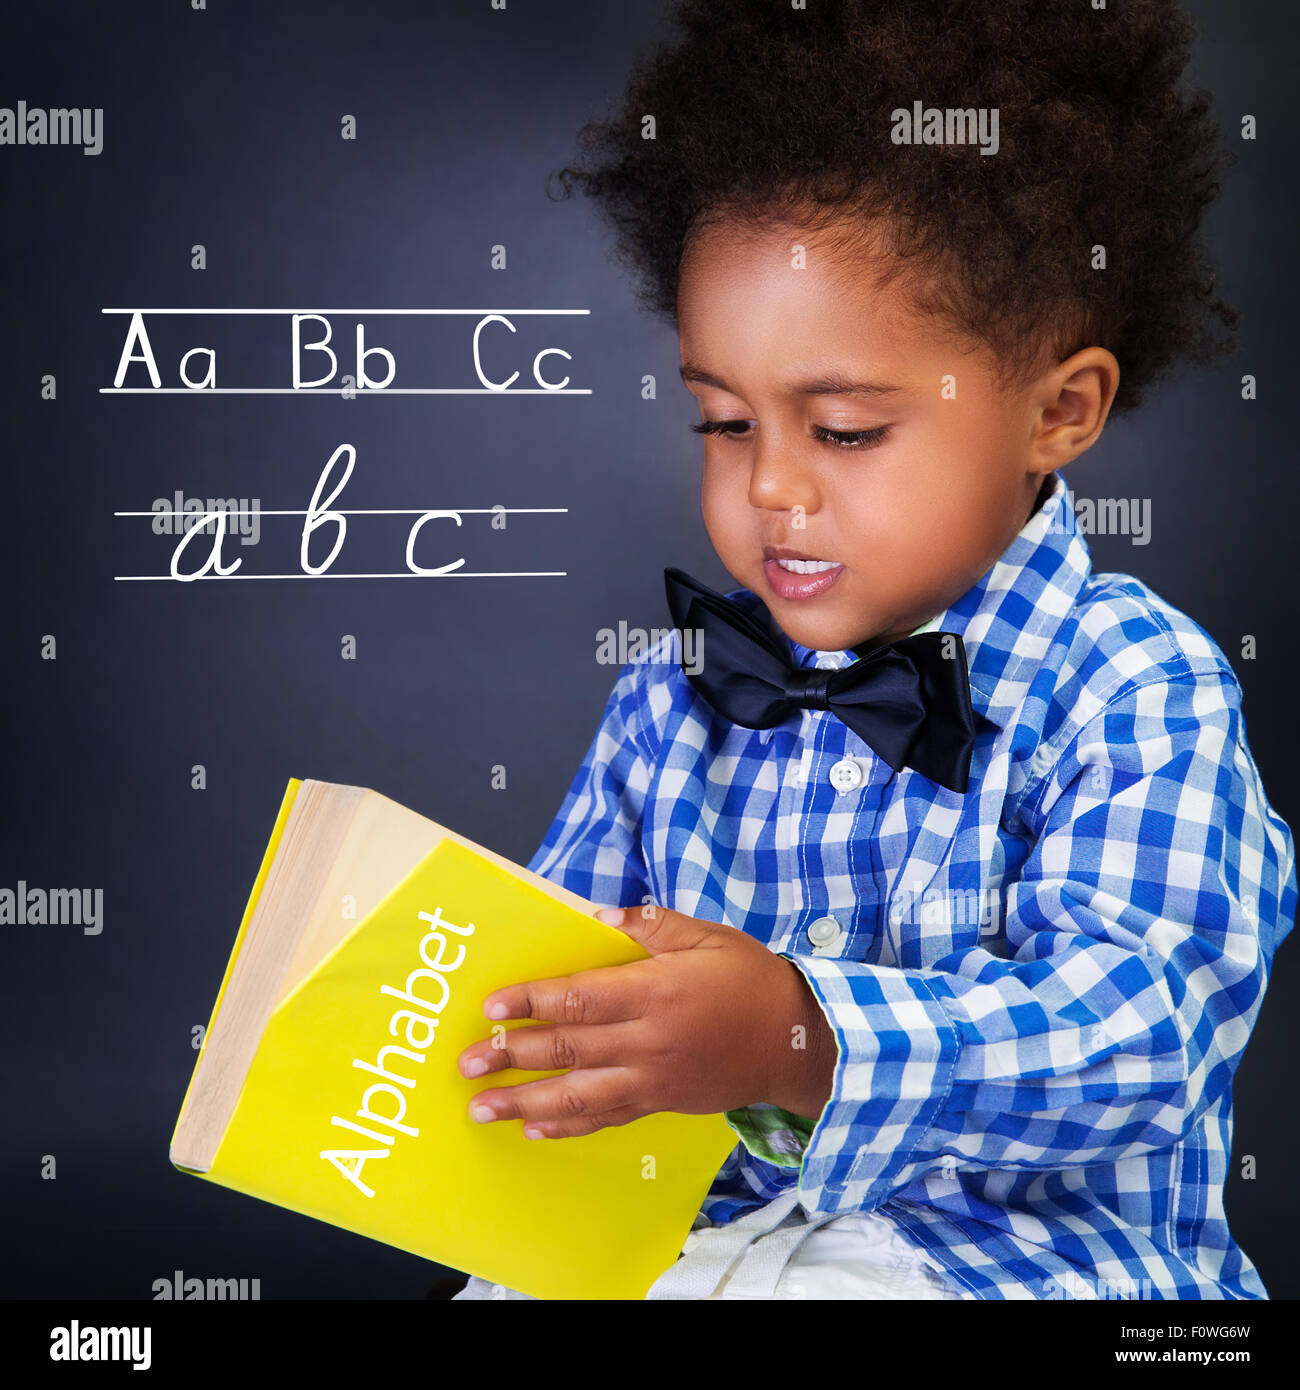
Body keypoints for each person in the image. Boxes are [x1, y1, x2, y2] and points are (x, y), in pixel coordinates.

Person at [451, 0, 1296, 1299]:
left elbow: (1139, 1041)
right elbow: (554, 971)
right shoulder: (673, 697)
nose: (773, 487)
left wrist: (799, 1032)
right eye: (725, 422)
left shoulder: (1133, 682)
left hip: (1024, 1268)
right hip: (700, 1246)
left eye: (842, 429)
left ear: (1058, 411)